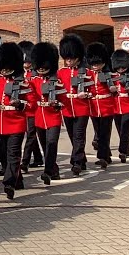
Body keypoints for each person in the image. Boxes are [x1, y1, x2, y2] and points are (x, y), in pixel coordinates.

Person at [0, 42, 31, 200]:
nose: (4, 71)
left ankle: (9, 183)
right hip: (0, 122)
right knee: (3, 155)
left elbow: (31, 103)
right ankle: (18, 179)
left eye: (7, 68)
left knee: (13, 154)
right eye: (3, 68)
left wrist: (20, 104)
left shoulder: (22, 83)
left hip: (16, 123)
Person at [25, 42, 64, 183]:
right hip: (39, 116)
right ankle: (54, 170)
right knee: (45, 146)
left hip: (53, 116)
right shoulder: (33, 80)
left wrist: (57, 104)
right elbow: (31, 96)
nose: (41, 69)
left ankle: (47, 172)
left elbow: (63, 98)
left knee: (52, 143)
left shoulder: (57, 79)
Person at [56, 34, 91, 176]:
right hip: (67, 109)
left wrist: (86, 95)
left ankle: (76, 162)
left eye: (71, 58)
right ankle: (82, 159)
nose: (68, 61)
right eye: (66, 58)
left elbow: (93, 90)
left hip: (81, 108)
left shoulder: (86, 72)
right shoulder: (61, 72)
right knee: (72, 136)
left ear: (78, 57)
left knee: (78, 136)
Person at [85, 42, 116, 169]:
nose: (95, 66)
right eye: (93, 64)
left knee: (104, 133)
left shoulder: (110, 74)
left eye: (98, 64)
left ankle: (102, 157)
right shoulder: (87, 75)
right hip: (94, 107)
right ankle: (107, 155)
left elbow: (117, 89)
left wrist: (114, 89)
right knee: (98, 132)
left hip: (106, 106)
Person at [110, 49, 129, 163]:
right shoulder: (112, 79)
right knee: (120, 130)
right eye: (118, 67)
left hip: (128, 107)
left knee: (125, 130)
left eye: (122, 67)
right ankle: (127, 149)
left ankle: (122, 151)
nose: (120, 69)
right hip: (115, 107)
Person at [18, 41, 45, 170]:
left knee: (30, 135)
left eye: (28, 61)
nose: (26, 64)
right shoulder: (20, 74)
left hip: (34, 109)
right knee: (31, 135)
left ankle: (25, 161)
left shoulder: (34, 74)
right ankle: (38, 158)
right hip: (23, 109)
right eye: (25, 62)